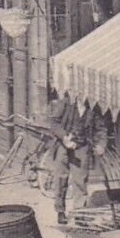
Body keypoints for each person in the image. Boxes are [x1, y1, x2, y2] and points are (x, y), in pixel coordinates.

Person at [48, 90, 96, 225]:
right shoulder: (66, 103)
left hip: (82, 147)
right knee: (60, 178)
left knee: (80, 180)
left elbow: (100, 128)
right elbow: (54, 122)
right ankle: (60, 211)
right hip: (64, 146)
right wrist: (64, 137)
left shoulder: (93, 107)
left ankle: (79, 213)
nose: (84, 95)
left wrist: (101, 145)